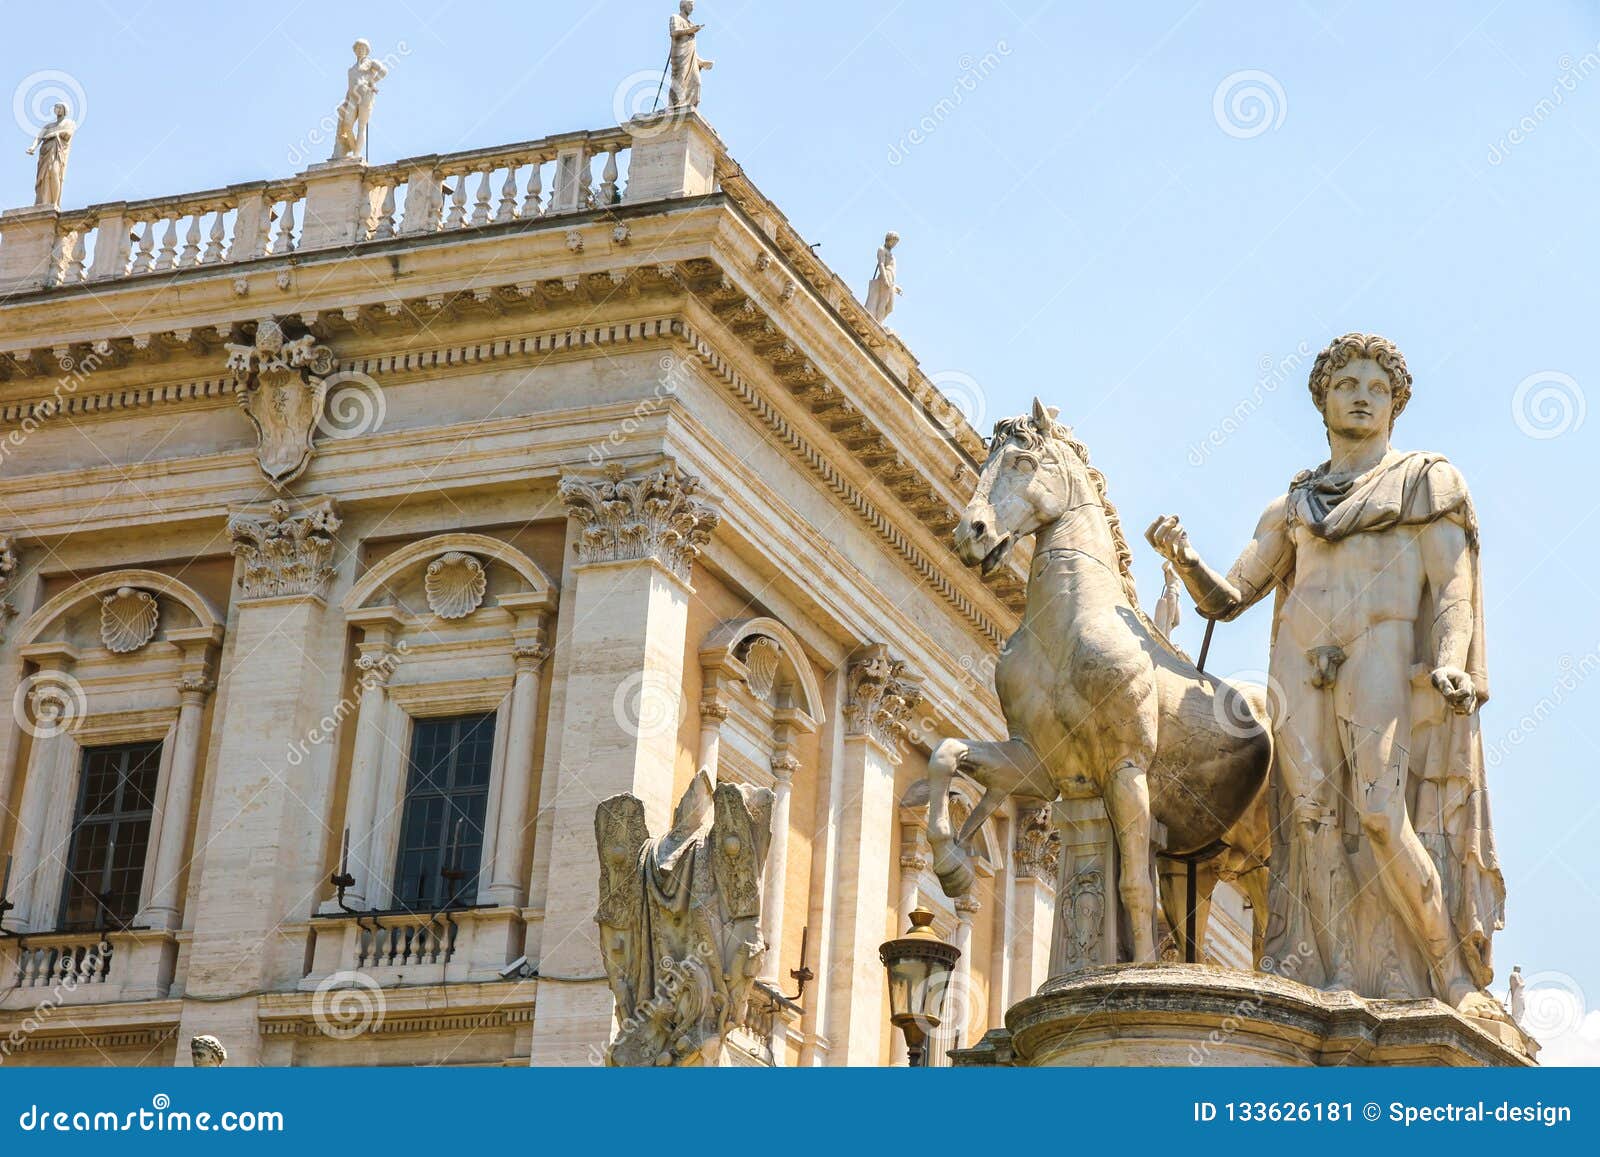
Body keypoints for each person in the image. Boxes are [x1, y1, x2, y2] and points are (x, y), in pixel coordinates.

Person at [1146, 333, 1505, 1019]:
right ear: (1323, 401)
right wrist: (1186, 559)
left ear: (1396, 402)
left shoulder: (1426, 482)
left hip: (1382, 652)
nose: (1362, 396)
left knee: (1379, 815)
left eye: (1377, 387)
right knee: (1309, 820)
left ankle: (1448, 971)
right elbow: (1230, 597)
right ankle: (1332, 972)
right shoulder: (1294, 506)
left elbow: (1453, 588)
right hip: (1300, 663)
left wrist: (1451, 660)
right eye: (1347, 385)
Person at [333, 39, 388, 160]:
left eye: (363, 48)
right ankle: (354, 149)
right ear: (355, 50)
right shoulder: (351, 70)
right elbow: (350, 87)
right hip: (353, 98)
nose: (360, 50)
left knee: (361, 126)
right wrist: (346, 101)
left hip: (365, 95)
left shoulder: (371, 62)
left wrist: (372, 82)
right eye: (358, 48)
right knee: (347, 125)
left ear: (367, 50)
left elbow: (384, 71)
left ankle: (356, 154)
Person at [25, 103, 75, 208]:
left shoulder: (69, 123)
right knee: (44, 177)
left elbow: (68, 133)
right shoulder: (48, 126)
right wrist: (33, 147)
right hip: (45, 152)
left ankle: (54, 203)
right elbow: (39, 137)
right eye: (56, 107)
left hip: (57, 152)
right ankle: (44, 201)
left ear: (64, 110)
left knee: (55, 173)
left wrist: (56, 133)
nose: (57, 109)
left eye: (59, 107)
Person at [667, 2, 713, 110]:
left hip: (690, 58)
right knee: (680, 78)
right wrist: (690, 30)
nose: (692, 8)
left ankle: (690, 108)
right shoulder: (675, 17)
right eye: (691, 5)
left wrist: (700, 62)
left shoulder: (691, 23)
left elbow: (691, 48)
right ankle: (675, 106)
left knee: (696, 82)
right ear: (684, 5)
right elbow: (673, 32)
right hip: (680, 54)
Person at [864, 231, 902, 324]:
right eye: (893, 241)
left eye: (896, 243)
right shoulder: (882, 249)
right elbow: (881, 264)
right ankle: (878, 322)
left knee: (890, 307)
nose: (894, 244)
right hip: (885, 276)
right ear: (889, 239)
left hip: (891, 279)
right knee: (883, 302)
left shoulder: (891, 254)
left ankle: (878, 321)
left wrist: (894, 286)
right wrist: (885, 279)